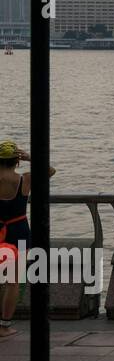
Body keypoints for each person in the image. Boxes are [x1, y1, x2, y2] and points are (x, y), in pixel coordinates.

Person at [0, 141, 55, 339]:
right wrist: (31, 158)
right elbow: (50, 170)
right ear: (17, 160)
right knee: (13, 282)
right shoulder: (25, 180)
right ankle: (4, 326)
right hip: (18, 230)